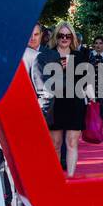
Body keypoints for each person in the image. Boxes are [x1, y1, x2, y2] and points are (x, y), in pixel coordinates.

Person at [34, 22, 91, 177]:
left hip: (74, 103)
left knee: (72, 143)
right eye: (61, 35)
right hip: (55, 104)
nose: (64, 38)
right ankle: (56, 178)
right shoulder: (47, 55)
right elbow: (42, 80)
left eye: (68, 36)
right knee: (55, 144)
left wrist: (70, 69)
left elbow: (85, 81)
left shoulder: (79, 56)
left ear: (72, 37)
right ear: (55, 37)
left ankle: (71, 178)